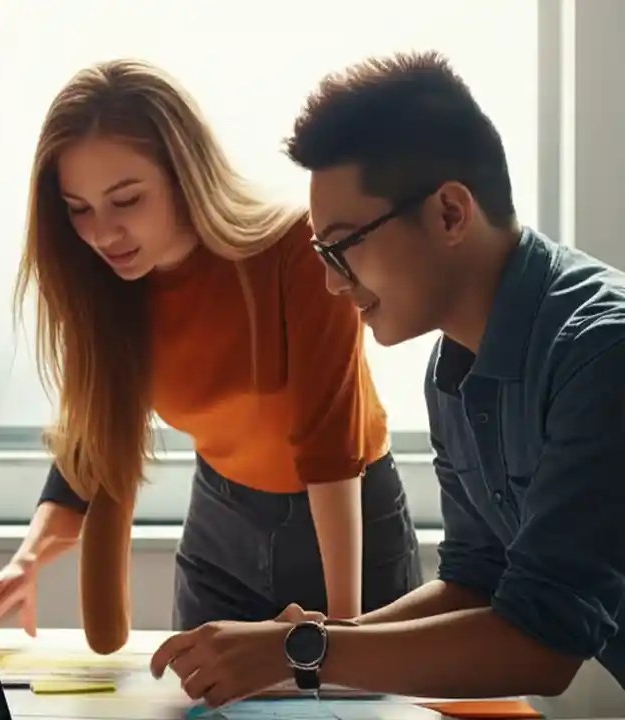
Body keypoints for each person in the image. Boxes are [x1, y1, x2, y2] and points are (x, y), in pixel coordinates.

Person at [148, 50, 625, 707]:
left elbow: (543, 644)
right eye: (321, 252)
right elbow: (478, 583)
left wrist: (301, 651)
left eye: (343, 245)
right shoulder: (453, 369)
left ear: (450, 213)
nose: (329, 282)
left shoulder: (602, 353)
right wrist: (304, 646)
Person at [0, 59, 422, 651]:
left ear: (184, 174)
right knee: (195, 698)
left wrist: (344, 631)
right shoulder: (106, 285)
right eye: (79, 208)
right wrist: (28, 559)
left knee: (359, 697)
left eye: (126, 200)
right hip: (220, 528)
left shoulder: (296, 252)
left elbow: (331, 450)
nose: (102, 233)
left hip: (345, 521)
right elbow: (93, 437)